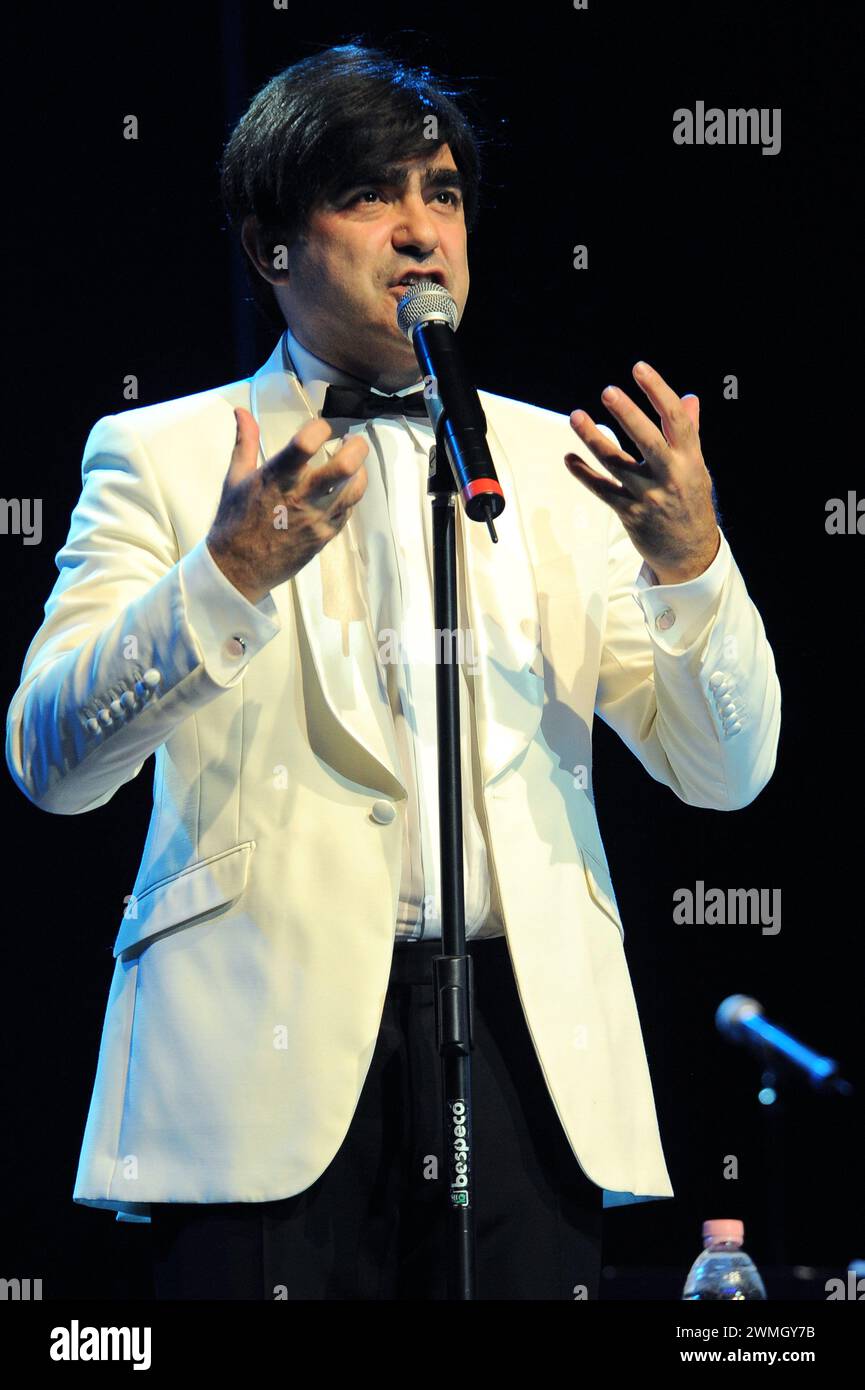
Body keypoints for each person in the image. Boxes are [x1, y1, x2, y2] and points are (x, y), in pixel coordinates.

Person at [5, 42, 781, 1300]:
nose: (421, 230)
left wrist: (694, 568)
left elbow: (727, 773)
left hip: (526, 1057)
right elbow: (49, 759)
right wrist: (227, 576)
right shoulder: (163, 452)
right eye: (370, 194)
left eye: (445, 192)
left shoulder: (557, 463)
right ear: (271, 245)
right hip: (258, 1072)